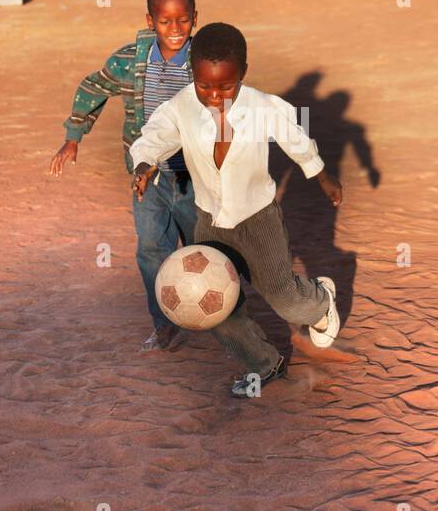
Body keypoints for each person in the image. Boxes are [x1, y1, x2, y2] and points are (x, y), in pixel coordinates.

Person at [129, 22, 343, 398]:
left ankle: (321, 299)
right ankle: (264, 363)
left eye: (225, 86)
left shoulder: (262, 106)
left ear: (242, 74)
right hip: (210, 222)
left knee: (284, 299)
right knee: (214, 306)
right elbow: (156, 135)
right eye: (204, 85)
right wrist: (144, 164)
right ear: (192, 73)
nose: (214, 95)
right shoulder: (181, 106)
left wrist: (321, 174)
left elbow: (296, 137)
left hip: (257, 218)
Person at [50, 0, 198, 350]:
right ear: (151, 20)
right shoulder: (130, 60)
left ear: (195, 18)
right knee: (151, 248)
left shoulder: (206, 61)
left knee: (203, 247)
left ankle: (215, 312)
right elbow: (93, 87)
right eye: (166, 22)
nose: (175, 30)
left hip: (194, 174)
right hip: (146, 174)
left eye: (183, 20)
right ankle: (164, 323)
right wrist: (73, 137)